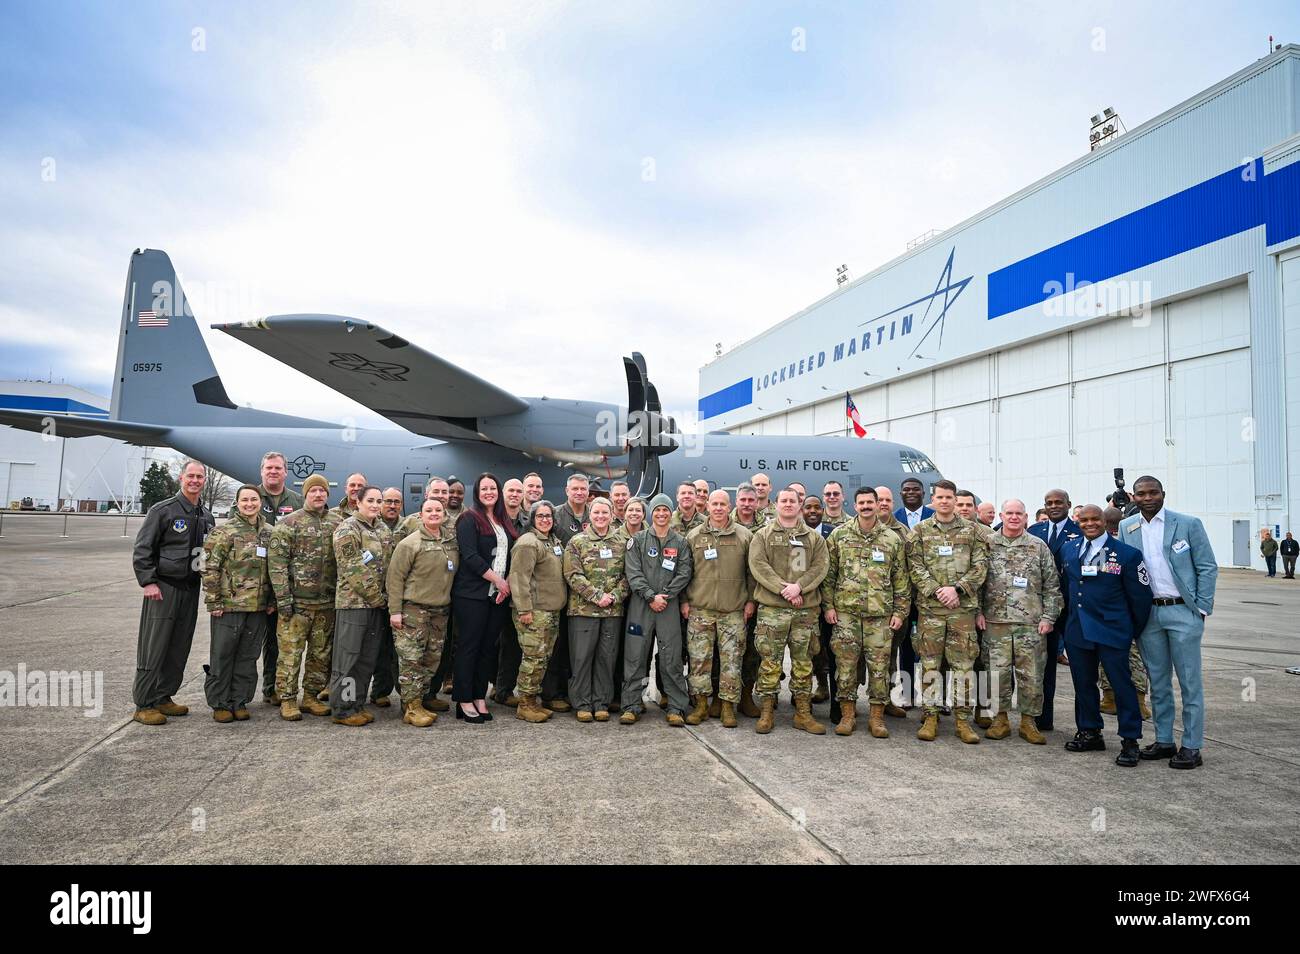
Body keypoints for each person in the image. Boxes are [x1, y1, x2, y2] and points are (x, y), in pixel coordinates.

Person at [1120, 477, 1218, 770]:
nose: (1148, 497)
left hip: (1182, 611)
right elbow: (1128, 570)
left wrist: (1201, 607)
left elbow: (1207, 566)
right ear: (1133, 497)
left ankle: (1192, 745)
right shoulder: (1129, 527)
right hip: (1149, 614)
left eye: (1153, 492)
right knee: (1158, 682)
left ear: (1163, 494)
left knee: (1190, 682)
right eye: (1141, 494)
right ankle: (1164, 740)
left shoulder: (1187, 524)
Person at [1060, 504, 1152, 767]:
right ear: (1078, 521)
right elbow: (1068, 590)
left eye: (1095, 519)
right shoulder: (1069, 549)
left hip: (1112, 631)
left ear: (1105, 521)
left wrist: (1130, 630)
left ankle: (1130, 740)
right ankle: (1089, 731)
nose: (1090, 524)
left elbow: (1140, 599)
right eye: (1084, 520)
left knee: (1122, 687)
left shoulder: (1126, 554)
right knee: (1083, 684)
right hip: (1079, 630)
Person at [130, 459, 215, 725]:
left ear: (204, 481)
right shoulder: (163, 511)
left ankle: (164, 696)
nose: (195, 481)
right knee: (153, 647)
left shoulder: (206, 515)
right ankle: (144, 703)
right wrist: (148, 581)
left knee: (179, 647)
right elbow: (143, 549)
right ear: (181, 478)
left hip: (189, 589)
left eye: (200, 477)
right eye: (191, 476)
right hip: (163, 589)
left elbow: (206, 554)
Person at [906, 479, 989, 743]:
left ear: (955, 500)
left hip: (962, 610)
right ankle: (930, 716)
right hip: (930, 610)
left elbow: (981, 566)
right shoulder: (919, 531)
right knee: (930, 665)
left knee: (963, 666)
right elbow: (914, 565)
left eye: (948, 497)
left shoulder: (972, 531)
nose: (944, 502)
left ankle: (962, 721)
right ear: (933, 500)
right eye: (939, 497)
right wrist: (936, 589)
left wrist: (958, 589)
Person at [823, 487, 910, 737]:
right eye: (861, 503)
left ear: (877, 504)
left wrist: (900, 612)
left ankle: (877, 718)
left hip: (880, 617)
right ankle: (848, 716)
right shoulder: (839, 536)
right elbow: (829, 576)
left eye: (870, 502)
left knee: (880, 669)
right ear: (855, 505)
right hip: (846, 616)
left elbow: (901, 580)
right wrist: (828, 606)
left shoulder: (892, 539)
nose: (866, 506)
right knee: (845, 667)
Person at [976, 499, 1061, 744]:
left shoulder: (1038, 546)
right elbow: (977, 581)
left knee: (1032, 676)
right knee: (996, 674)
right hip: (994, 623)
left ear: (1025, 517)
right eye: (1009, 513)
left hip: (1031, 625)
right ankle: (999, 719)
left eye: (1019, 514)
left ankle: (1028, 722)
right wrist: (978, 612)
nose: (1014, 517)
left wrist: (1049, 617)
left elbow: (1052, 586)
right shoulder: (988, 544)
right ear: (1002, 515)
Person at [749, 487, 830, 735]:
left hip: (804, 611)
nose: (787, 504)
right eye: (783, 500)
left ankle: (802, 713)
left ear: (799, 505)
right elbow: (758, 564)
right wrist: (782, 589)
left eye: (792, 501)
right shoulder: (762, 535)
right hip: (773, 610)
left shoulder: (813, 538)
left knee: (804, 662)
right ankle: (767, 711)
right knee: (770, 662)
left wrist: (799, 587)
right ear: (776, 504)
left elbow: (820, 566)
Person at [201, 484, 274, 723]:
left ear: (260, 502)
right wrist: (214, 602)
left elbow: (276, 570)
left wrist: (271, 600)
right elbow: (209, 568)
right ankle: (220, 703)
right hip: (229, 606)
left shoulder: (269, 532)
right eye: (245, 500)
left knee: (248, 656)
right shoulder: (224, 532)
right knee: (223, 655)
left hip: (258, 608)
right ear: (237, 502)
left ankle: (240, 700)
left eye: (254, 499)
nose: (249, 504)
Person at [268, 473, 338, 720]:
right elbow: (277, 565)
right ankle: (287, 699)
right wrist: (283, 600)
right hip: (297, 605)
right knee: (290, 654)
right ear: (306, 494)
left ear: (328, 494)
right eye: (313, 491)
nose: (318, 495)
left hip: (326, 605)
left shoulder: (337, 523)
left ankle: (310, 696)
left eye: (322, 491)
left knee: (320, 655)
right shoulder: (289, 523)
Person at [682, 490, 755, 727]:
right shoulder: (694, 536)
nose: (719, 508)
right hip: (700, 610)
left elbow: (751, 573)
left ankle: (727, 707)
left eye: (723, 504)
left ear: (729, 506)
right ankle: (701, 705)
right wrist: (684, 600)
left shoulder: (744, 536)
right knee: (699, 660)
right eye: (714, 504)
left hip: (733, 610)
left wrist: (751, 600)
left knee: (732, 661)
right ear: (708, 506)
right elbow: (685, 572)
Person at [621, 494, 693, 724]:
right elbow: (633, 573)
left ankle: (676, 707)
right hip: (641, 606)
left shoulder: (680, 542)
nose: (661, 514)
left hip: (668, 607)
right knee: (635, 656)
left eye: (665, 510)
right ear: (651, 513)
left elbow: (684, 572)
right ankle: (632, 704)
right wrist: (651, 596)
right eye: (657, 510)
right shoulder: (638, 540)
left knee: (671, 657)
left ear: (670, 513)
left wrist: (666, 596)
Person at [386, 498, 458, 727]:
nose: (434, 513)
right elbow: (395, 579)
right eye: (429, 510)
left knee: (431, 658)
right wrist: (395, 612)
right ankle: (411, 706)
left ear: (444, 515)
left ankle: (422, 698)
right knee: (411, 660)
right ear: (421, 514)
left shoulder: (450, 542)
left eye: (438, 510)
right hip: (413, 610)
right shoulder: (410, 544)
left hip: (439, 611)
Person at [452, 473, 517, 724]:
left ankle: (479, 696)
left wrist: (507, 582)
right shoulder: (469, 518)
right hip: (472, 594)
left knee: (488, 649)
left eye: (493, 488)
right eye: (484, 488)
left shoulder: (502, 520)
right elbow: (470, 555)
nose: (489, 492)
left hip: (498, 596)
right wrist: (497, 580)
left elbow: (510, 554)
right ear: (477, 493)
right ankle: (463, 699)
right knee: (469, 647)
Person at [330, 486, 393, 726]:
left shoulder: (382, 530)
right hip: (354, 604)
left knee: (366, 659)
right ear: (358, 502)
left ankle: (357, 703)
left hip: (376, 606)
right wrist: (377, 597)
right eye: (371, 500)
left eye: (379, 501)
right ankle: (343, 709)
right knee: (348, 660)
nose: (376, 505)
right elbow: (352, 568)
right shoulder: (347, 529)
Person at [563, 498, 628, 722]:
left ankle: (601, 702)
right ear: (590, 515)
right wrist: (597, 596)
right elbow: (572, 574)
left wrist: (615, 597)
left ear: (612, 515)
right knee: (582, 658)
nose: (601, 517)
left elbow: (628, 575)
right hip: (583, 612)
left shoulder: (622, 541)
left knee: (606, 658)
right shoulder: (577, 542)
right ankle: (582, 703)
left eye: (605, 513)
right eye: (597, 513)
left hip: (612, 612)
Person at [508, 500, 568, 723]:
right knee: (533, 658)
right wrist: (524, 609)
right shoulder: (528, 543)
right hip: (534, 611)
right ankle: (525, 703)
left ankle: (532, 700)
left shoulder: (551, 541)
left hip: (550, 611)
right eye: (541, 516)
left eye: (549, 516)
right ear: (533, 519)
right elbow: (518, 578)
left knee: (542, 658)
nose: (545, 520)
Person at [1027, 489, 1082, 730]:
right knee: (1044, 666)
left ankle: (1086, 724)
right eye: (1049, 503)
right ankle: (1043, 718)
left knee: (1080, 669)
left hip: (1071, 608)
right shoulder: (1034, 532)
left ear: (1068, 505)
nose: (1054, 506)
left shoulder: (1080, 532)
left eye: (1059, 502)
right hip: (1042, 609)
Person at [253, 452, 305, 707]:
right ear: (262, 471)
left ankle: (272, 688)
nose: (273, 472)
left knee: (277, 640)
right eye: (268, 468)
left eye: (278, 468)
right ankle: (238, 691)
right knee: (251, 640)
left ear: (286, 472)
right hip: (254, 582)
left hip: (285, 581)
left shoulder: (296, 500)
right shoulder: (250, 498)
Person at [545, 474, 591, 712]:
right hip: (561, 589)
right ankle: (554, 693)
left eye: (583, 489)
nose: (579, 493)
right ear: (567, 490)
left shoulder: (596, 513)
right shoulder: (556, 515)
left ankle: (577, 692)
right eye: (575, 488)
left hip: (587, 593)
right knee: (558, 644)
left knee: (579, 648)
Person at [875, 485, 913, 719]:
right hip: (864, 607)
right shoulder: (854, 529)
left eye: (888, 500)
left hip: (892, 607)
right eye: (880, 499)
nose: (884, 503)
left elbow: (907, 573)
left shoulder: (904, 532)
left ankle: (886, 699)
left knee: (889, 657)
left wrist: (902, 608)